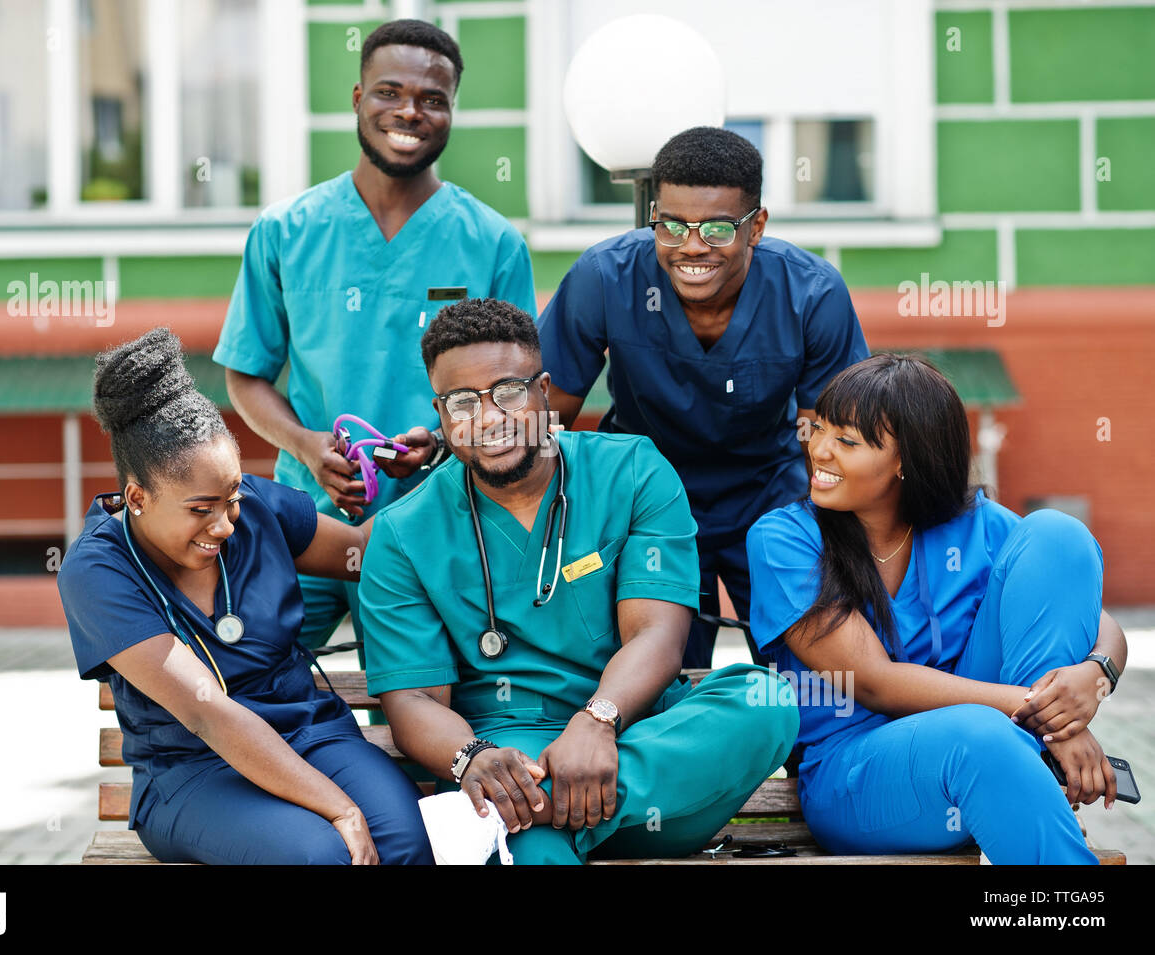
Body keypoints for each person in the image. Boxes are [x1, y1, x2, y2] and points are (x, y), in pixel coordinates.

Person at [357, 299, 799, 865]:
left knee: (765, 699)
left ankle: (543, 804)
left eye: (509, 392)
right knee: (536, 856)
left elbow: (657, 637)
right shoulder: (403, 532)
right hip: (510, 756)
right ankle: (545, 807)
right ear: (441, 414)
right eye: (463, 402)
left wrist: (597, 722)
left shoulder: (633, 470)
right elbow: (415, 700)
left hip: (635, 741)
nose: (489, 418)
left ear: (544, 391)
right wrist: (473, 758)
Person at [215, 19, 536, 654]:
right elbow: (246, 375)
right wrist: (308, 448)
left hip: (435, 531)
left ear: (450, 112)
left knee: (414, 715)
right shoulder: (285, 231)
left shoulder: (493, 242)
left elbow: (518, 398)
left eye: (433, 99)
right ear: (359, 99)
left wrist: (446, 439)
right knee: (249, 683)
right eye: (390, 92)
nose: (409, 112)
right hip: (301, 524)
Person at [57, 328, 433, 865]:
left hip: (310, 734)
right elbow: (208, 713)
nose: (225, 523)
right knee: (321, 856)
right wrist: (341, 810)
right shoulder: (98, 570)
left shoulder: (254, 509)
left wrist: (454, 466)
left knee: (405, 842)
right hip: (194, 769)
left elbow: (362, 552)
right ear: (137, 497)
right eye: (201, 508)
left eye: (231, 497)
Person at [746, 354, 1128, 864]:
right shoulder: (785, 540)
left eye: (846, 441)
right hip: (859, 776)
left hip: (998, 739)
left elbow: (1097, 623)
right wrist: (1048, 718)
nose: (818, 450)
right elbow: (875, 681)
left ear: (907, 459)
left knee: (1058, 536)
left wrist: (1094, 675)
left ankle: (1033, 766)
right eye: (818, 430)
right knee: (982, 735)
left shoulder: (977, 526)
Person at [538, 126, 869, 669]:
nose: (692, 246)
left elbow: (831, 444)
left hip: (769, 494)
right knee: (657, 686)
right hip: (643, 498)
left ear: (756, 226)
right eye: (671, 225)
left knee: (805, 683)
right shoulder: (606, 277)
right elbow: (545, 423)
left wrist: (837, 545)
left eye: (717, 228)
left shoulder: (811, 292)